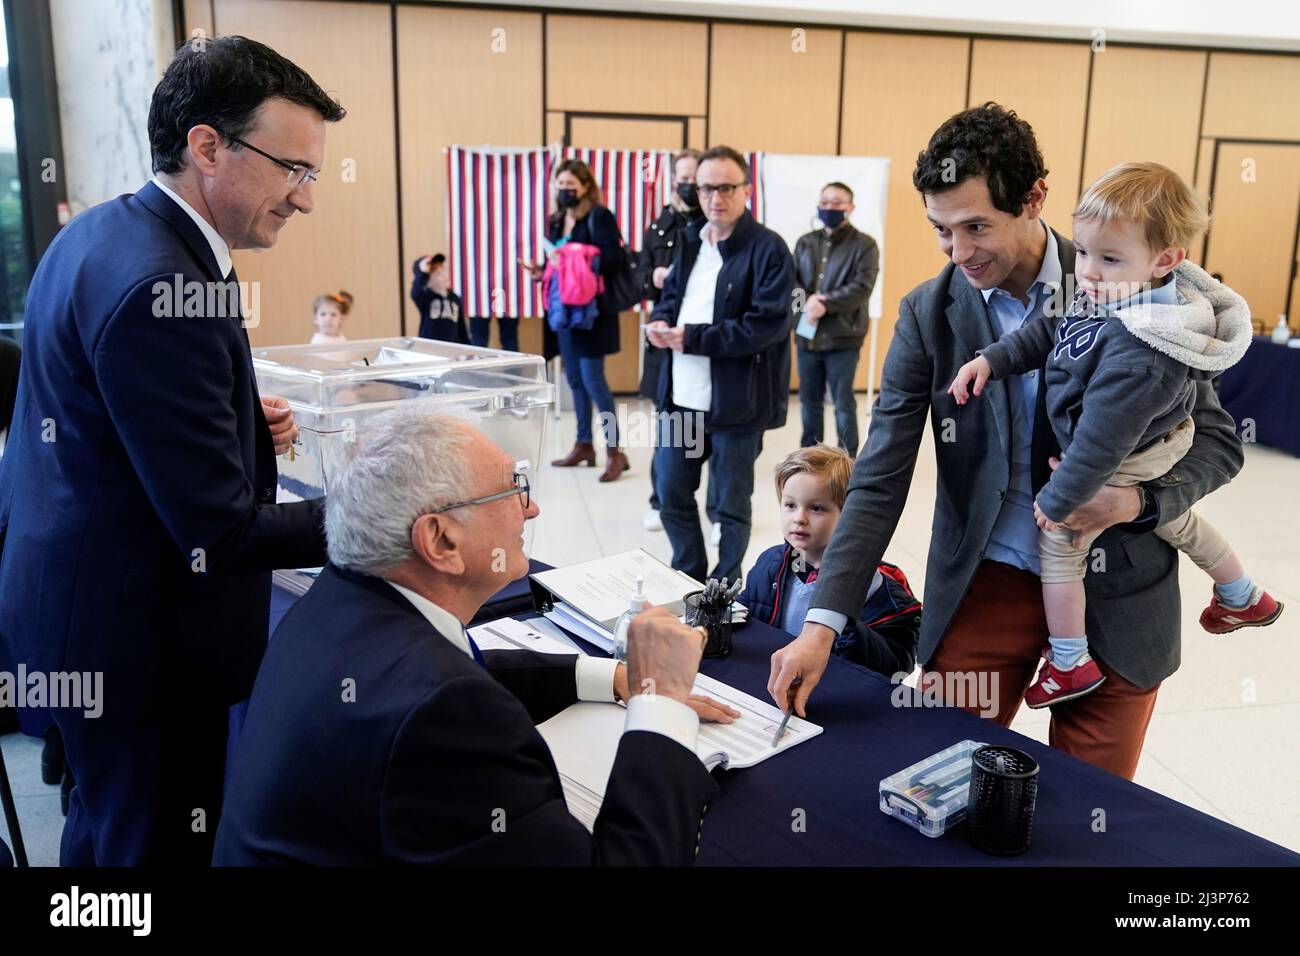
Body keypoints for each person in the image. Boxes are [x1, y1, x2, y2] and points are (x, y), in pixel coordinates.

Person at [768, 104, 1245, 781]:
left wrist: (1135, 502)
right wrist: (823, 624)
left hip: (1117, 595)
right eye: (941, 231)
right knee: (930, 779)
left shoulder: (1130, 284)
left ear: (1034, 199)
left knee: (1091, 812)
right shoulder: (928, 317)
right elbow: (878, 478)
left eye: (976, 227)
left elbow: (1220, 444)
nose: (959, 253)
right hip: (986, 581)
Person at [0, 36, 342, 865]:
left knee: (102, 831)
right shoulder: (165, 286)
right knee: (152, 850)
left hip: (72, 616)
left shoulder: (106, 232)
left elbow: (101, 418)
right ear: (207, 146)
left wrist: (231, 422)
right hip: (137, 649)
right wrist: (384, 513)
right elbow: (214, 534)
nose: (304, 200)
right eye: (293, 169)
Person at [214, 407, 740, 865]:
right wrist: (662, 703)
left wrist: (614, 676)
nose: (531, 510)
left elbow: (462, 672)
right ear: (440, 539)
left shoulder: (336, 601)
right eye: (514, 490)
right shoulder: (444, 713)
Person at [949, 162, 1280, 707]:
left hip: (1130, 450)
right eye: (1081, 252)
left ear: (1166, 260)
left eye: (1108, 258)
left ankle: (1069, 662)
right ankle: (1242, 593)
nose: (1090, 271)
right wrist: (995, 358)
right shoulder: (1108, 293)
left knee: (1060, 541)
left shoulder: (1143, 353)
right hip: (1135, 443)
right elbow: (1053, 329)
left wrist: (1057, 502)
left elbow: (1100, 444)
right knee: (1176, 520)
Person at [645, 145, 796, 584]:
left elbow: (765, 326)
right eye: (706, 188)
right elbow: (671, 296)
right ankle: (688, 573)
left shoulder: (768, 249)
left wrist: (690, 337)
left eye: (727, 187)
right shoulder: (691, 239)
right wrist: (661, 320)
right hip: (681, 397)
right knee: (672, 490)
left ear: (746, 189)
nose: (715, 197)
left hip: (737, 402)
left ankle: (724, 585)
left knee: (730, 503)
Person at [740, 445, 920, 677]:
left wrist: (851, 636)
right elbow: (747, 610)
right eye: (790, 505)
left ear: (850, 515)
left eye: (816, 508)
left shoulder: (880, 589)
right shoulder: (770, 564)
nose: (799, 519)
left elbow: (899, 665)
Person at [528, 159, 630, 482]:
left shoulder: (599, 216)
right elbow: (557, 263)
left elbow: (613, 258)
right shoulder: (556, 221)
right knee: (573, 379)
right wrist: (542, 271)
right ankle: (584, 443)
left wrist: (575, 254)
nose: (565, 190)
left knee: (593, 381)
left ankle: (615, 451)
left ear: (586, 186)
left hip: (591, 312)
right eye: (560, 185)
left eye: (571, 184)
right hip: (564, 310)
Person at [639, 149, 716, 533]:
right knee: (670, 432)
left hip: (710, 348)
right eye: (682, 179)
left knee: (714, 440)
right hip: (667, 343)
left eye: (695, 180)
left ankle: (717, 513)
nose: (690, 187)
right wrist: (656, 276)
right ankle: (660, 501)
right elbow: (639, 275)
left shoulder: (714, 227)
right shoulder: (660, 225)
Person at [793, 182, 880, 456]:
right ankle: (809, 457)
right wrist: (806, 303)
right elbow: (792, 284)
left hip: (843, 336)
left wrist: (825, 303)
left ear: (850, 208)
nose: (829, 208)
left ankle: (847, 459)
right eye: (825, 202)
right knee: (809, 402)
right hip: (807, 335)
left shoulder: (865, 244)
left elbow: (862, 288)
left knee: (842, 402)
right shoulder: (805, 242)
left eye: (837, 202)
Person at [411, 253, 468, 344]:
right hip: (430, 350)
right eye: (438, 273)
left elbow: (462, 329)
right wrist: (423, 273)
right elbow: (415, 293)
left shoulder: (454, 297)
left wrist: (467, 348)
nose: (444, 275)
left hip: (452, 350)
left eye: (443, 270)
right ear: (428, 280)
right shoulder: (426, 298)